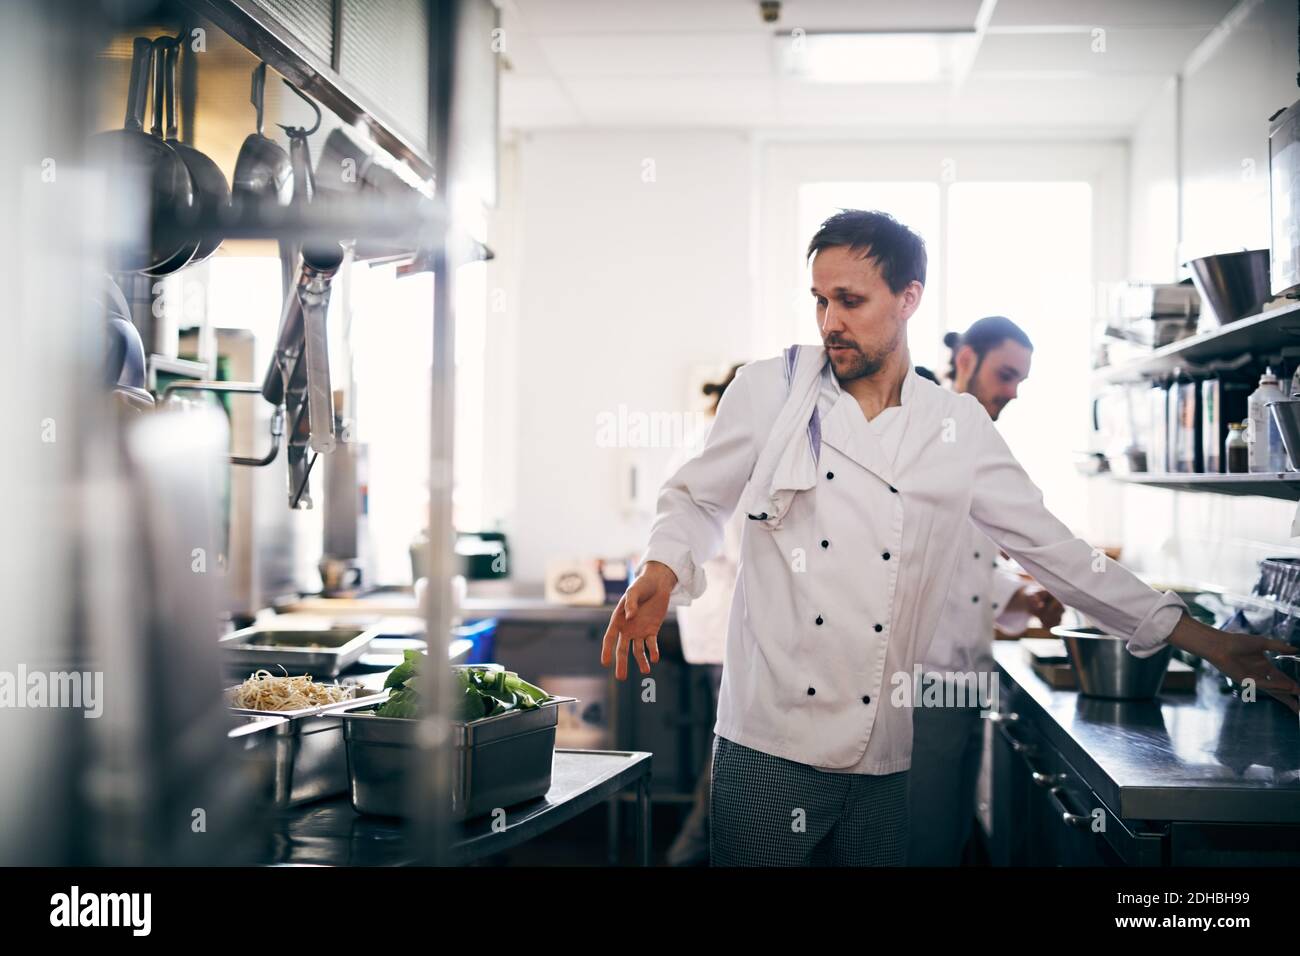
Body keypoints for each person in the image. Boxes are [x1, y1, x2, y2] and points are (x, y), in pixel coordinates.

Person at [600, 209, 1299, 867]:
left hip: (881, 752)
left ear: (908, 298)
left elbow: (1056, 550)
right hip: (766, 739)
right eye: (819, 301)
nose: (830, 324)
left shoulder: (957, 428)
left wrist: (1200, 638)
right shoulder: (769, 390)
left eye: (850, 301)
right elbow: (696, 498)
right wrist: (662, 568)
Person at [906, 316, 1063, 866]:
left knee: (949, 837)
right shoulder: (921, 435)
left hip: (968, 679)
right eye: (1006, 374)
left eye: (1020, 379)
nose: (1013, 391)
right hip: (924, 686)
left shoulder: (973, 442)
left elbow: (964, 559)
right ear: (966, 360)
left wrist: (1021, 596)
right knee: (924, 845)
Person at [666, 364, 743, 866]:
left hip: (716, 628)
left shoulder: (709, 438)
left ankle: (691, 853)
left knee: (723, 756)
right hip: (725, 630)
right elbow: (736, 544)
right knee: (728, 759)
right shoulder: (723, 447)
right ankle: (688, 856)